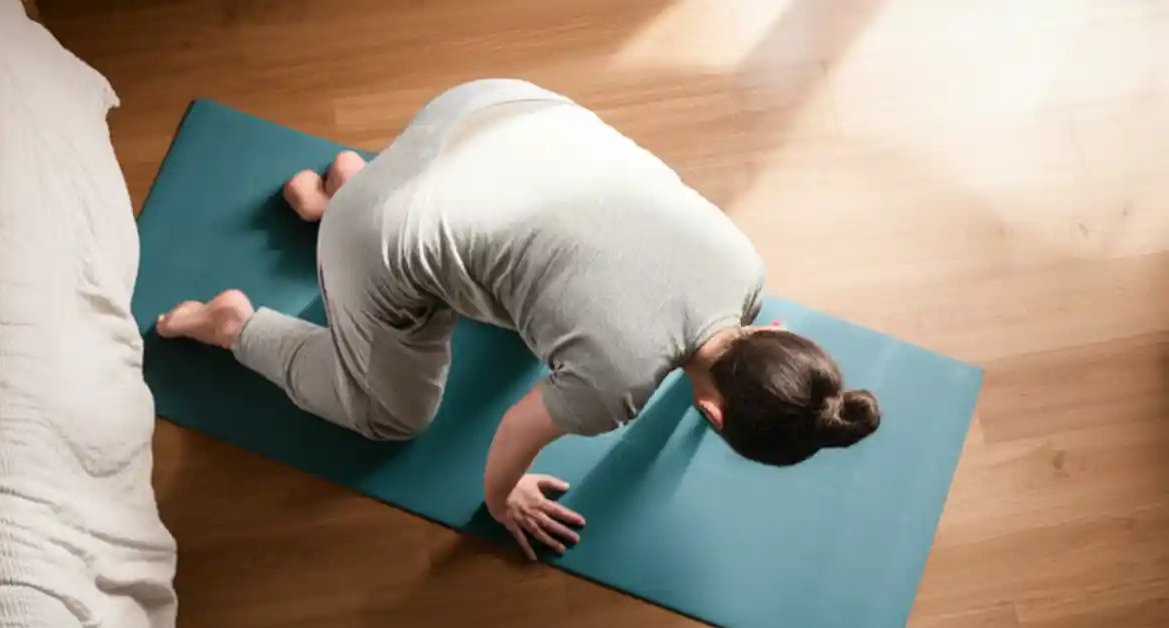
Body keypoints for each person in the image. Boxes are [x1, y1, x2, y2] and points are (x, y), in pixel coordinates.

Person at [155, 79, 881, 560]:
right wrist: (505, 499)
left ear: (780, 333)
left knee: (531, 311)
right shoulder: (614, 390)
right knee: (391, 416)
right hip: (384, 229)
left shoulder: (744, 266)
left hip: (493, 108)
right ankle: (236, 322)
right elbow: (514, 431)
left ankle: (350, 190)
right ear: (715, 417)